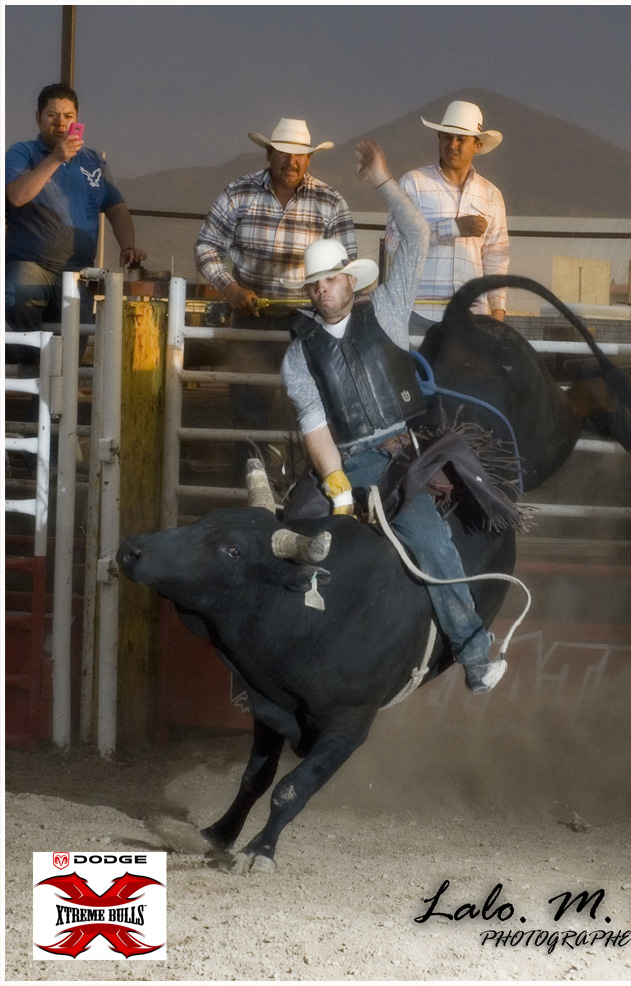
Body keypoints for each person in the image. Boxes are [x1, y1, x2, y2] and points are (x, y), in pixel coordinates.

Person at [281, 138, 503, 694]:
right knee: (289, 539)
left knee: (430, 540)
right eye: (314, 284)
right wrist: (336, 488)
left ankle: (474, 653)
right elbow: (315, 428)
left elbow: (419, 237)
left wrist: (383, 182)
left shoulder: (385, 309)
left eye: (329, 279)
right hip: (347, 461)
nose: (321, 289)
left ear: (350, 280)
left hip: (401, 457)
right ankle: (274, 667)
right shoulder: (297, 354)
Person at [194, 117, 357, 439]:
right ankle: (250, 482)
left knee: (308, 414)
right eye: (283, 152)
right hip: (251, 317)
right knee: (249, 413)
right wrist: (230, 288)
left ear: (310, 159)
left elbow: (346, 266)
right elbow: (206, 246)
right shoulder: (238, 193)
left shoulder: (330, 202)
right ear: (269, 154)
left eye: (300, 154)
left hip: (309, 320)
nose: (291, 161)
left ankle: (302, 485)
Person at [5, 83, 147, 361]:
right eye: (52, 115)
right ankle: (30, 362)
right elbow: (17, 196)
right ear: (38, 117)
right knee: (19, 296)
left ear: (77, 120)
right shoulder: (22, 152)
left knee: (72, 350)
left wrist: (128, 245)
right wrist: (57, 158)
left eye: (68, 116)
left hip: (79, 273)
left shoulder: (94, 162)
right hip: (31, 264)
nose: (61, 123)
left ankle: (52, 391)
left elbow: (117, 209)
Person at [384, 99, 510, 337]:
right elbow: (392, 244)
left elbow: (497, 257)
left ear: (477, 145)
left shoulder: (491, 195)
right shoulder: (413, 184)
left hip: (471, 316)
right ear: (439, 138)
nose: (452, 144)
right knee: (416, 374)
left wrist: (498, 313)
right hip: (417, 313)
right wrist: (451, 229)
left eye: (461, 139)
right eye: (446, 137)